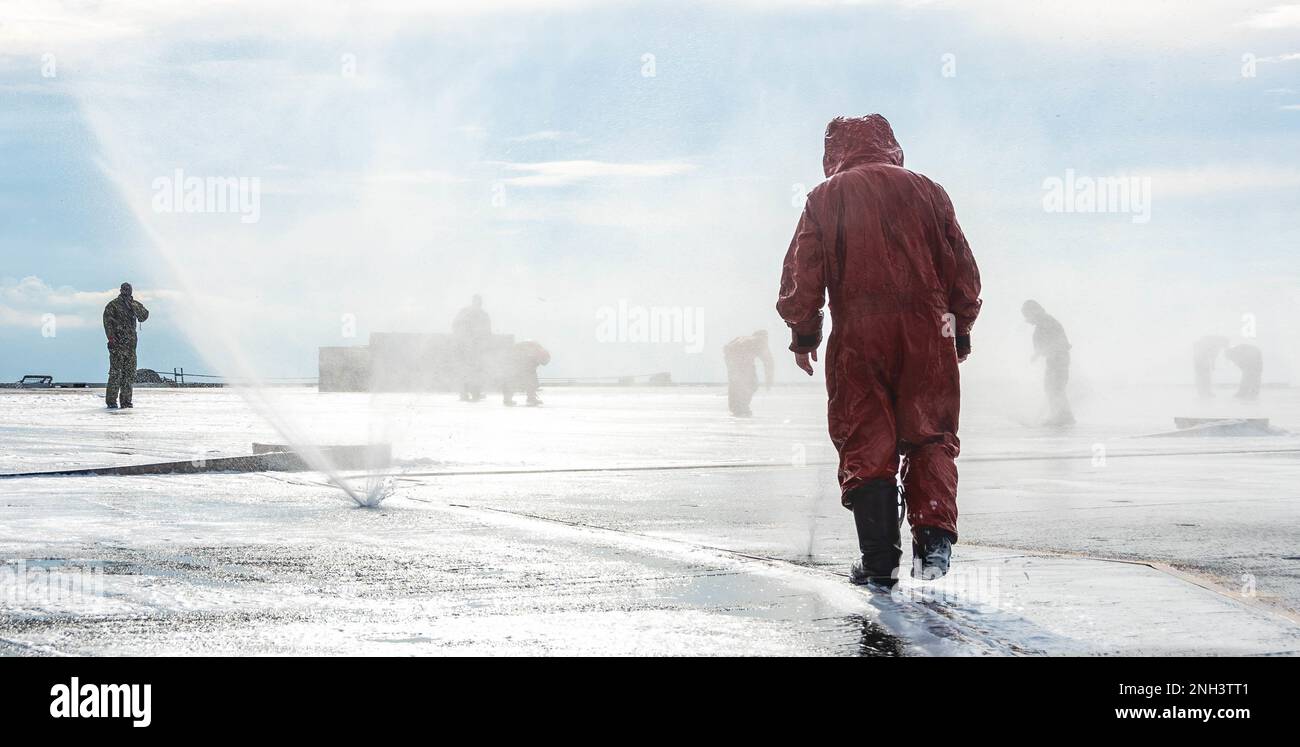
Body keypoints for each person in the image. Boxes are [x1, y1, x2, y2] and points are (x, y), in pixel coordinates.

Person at [777, 114, 981, 588]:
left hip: (859, 332)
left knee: (865, 435)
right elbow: (962, 268)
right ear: (891, 145)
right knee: (930, 432)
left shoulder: (825, 198)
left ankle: (878, 560)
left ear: (834, 151)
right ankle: (932, 543)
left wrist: (805, 335)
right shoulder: (929, 191)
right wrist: (960, 329)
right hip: (930, 330)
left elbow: (803, 275)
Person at [1022, 300, 1075, 426]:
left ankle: (1062, 416)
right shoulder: (1043, 323)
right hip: (1055, 359)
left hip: (1058, 359)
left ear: (1034, 312)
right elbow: (1044, 343)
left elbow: (1055, 342)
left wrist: (1040, 352)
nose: (1027, 320)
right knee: (1052, 387)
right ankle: (1061, 415)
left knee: (1055, 387)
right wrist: (1038, 353)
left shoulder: (1047, 323)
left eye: (1027, 316)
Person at [102, 282, 149, 409]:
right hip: (117, 346)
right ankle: (111, 401)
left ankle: (126, 401)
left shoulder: (134, 304)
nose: (126, 291)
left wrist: (134, 306)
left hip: (131, 347)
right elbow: (107, 322)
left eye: (128, 289)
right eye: (124, 289)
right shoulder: (113, 305)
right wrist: (111, 338)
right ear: (121, 290)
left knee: (129, 375)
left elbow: (144, 316)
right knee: (116, 374)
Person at [722, 330, 774, 416]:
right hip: (739, 360)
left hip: (731, 358)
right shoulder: (760, 341)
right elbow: (769, 362)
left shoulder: (744, 338)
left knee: (736, 384)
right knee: (752, 384)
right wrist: (769, 381)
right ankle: (741, 407)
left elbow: (726, 348)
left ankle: (736, 407)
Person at [452, 294, 492, 401]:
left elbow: (454, 325)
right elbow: (487, 332)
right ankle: (475, 393)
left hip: (463, 345)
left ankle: (464, 393)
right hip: (474, 347)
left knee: (466, 370)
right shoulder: (483, 314)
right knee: (476, 371)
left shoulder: (463, 312)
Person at [503, 340, 550, 406]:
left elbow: (531, 371)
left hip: (518, 360)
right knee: (513, 380)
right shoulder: (529, 354)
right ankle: (508, 399)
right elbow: (527, 371)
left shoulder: (537, 352)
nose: (539, 364)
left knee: (530, 380)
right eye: (540, 362)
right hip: (514, 361)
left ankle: (530, 398)